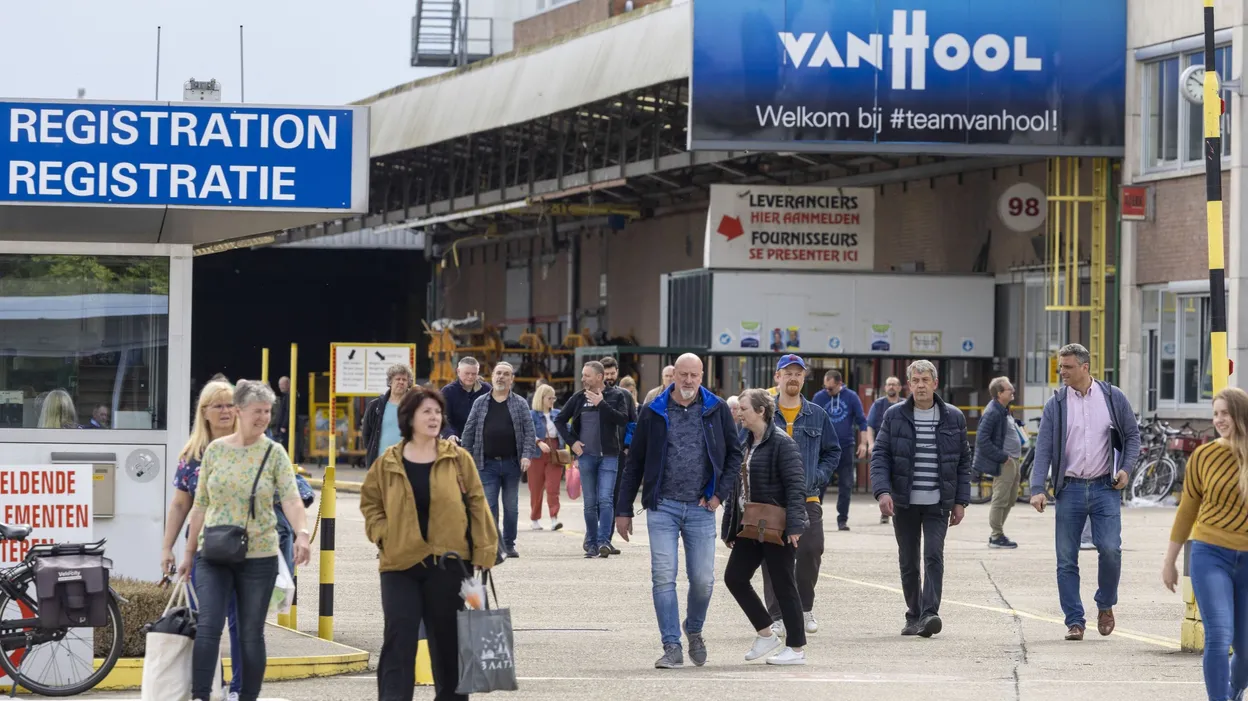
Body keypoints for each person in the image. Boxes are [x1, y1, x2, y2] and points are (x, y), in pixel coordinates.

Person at [360, 385, 498, 701]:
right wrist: (382, 533)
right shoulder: (388, 461)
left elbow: (477, 502)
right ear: (409, 417)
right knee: (399, 639)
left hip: (450, 563)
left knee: (449, 644)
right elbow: (371, 502)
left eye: (437, 412)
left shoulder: (457, 458)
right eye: (427, 411)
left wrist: (484, 549)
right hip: (399, 563)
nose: (434, 417)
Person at [178, 380, 311, 701]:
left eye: (267, 411)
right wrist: (187, 552)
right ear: (240, 412)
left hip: (259, 557)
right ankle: (201, 696)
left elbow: (292, 499)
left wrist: (302, 534)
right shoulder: (215, 451)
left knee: (251, 634)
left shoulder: (274, 453)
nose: (263, 417)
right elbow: (199, 504)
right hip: (213, 553)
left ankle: (246, 695)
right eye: (257, 411)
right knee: (208, 627)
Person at [616, 353, 742, 669]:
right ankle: (671, 645)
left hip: (701, 508)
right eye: (682, 374)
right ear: (672, 376)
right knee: (663, 576)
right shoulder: (653, 411)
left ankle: (694, 628)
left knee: (703, 580)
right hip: (663, 507)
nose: (687, 381)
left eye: (693, 375)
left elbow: (733, 457)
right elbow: (635, 463)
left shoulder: (716, 409)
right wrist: (623, 509)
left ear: (702, 376)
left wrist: (717, 496)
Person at [1029, 343, 1140, 641]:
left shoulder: (1112, 397)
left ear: (1085, 367)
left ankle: (1105, 603)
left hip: (1106, 487)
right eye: (1060, 367)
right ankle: (1074, 621)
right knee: (1066, 558)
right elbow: (1043, 449)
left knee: (1110, 549)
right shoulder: (1057, 404)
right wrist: (1038, 488)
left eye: (1067, 367)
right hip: (1070, 489)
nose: (1061, 372)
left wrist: (1126, 469)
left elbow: (1132, 436)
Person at [870, 359, 972, 638]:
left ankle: (930, 614)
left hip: (939, 502)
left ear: (935, 383)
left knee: (933, 555)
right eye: (915, 380)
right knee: (908, 561)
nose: (920, 385)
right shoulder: (894, 415)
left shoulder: (953, 416)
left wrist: (961, 501)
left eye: (925, 380)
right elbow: (880, 456)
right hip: (904, 503)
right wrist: (882, 492)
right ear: (909, 384)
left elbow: (964, 461)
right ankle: (913, 614)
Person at [1163, 387, 1248, 701]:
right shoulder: (1204, 455)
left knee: (1246, 651)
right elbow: (1187, 511)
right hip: (1210, 554)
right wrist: (1169, 560)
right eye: (1215, 414)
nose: (1219, 420)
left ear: (1241, 414)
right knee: (1218, 635)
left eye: (1225, 413)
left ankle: (1235, 690)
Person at [162, 380, 245, 701]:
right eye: (218, 406)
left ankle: (238, 688)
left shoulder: (251, 447)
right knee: (206, 623)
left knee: (242, 624)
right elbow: (180, 504)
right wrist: (167, 546)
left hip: (245, 548)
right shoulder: (192, 454)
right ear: (205, 412)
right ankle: (211, 686)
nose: (225, 411)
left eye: (229, 405)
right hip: (201, 549)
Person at [723, 389, 809, 666]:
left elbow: (796, 486)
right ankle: (766, 632)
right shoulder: (746, 442)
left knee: (784, 585)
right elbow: (737, 488)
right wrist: (730, 528)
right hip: (751, 524)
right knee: (734, 577)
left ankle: (796, 648)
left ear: (761, 411)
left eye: (744, 409)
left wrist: (795, 526)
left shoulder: (782, 443)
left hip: (777, 525)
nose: (739, 413)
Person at [760, 355, 839, 638]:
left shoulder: (817, 414)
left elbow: (833, 451)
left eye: (798, 373)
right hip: (772, 499)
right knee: (772, 558)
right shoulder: (765, 412)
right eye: (788, 373)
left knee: (810, 549)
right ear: (777, 377)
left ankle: (805, 608)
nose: (793, 378)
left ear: (804, 378)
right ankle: (777, 614)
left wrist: (817, 477)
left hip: (807, 497)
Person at [555, 361, 633, 558]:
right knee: (590, 502)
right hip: (586, 457)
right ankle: (591, 543)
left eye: (587, 375)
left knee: (606, 500)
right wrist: (572, 442)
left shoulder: (617, 396)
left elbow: (623, 419)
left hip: (609, 456)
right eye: (583, 375)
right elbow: (560, 420)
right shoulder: (578, 398)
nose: (583, 379)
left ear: (599, 377)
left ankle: (604, 541)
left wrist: (602, 404)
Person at [462, 362, 538, 559]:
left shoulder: (520, 403)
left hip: (512, 463)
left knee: (511, 507)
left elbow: (530, 432)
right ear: (492, 376)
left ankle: (509, 544)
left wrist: (527, 455)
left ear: (511, 379)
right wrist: (465, 459)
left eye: (506, 374)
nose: (501, 377)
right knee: (490, 506)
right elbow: (469, 432)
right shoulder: (480, 402)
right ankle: (494, 544)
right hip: (486, 464)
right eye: (498, 373)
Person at [813, 370, 869, 530]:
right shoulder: (819, 397)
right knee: (819, 483)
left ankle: (842, 520)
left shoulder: (851, 397)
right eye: (825, 387)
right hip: (823, 448)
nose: (827, 391)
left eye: (830, 388)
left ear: (839, 383)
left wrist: (863, 443)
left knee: (846, 484)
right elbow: (810, 420)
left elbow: (862, 421)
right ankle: (814, 517)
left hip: (845, 447)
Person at [974, 376, 1023, 549]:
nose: (1013, 392)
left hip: (1014, 460)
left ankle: (999, 532)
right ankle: (996, 535)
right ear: (1000, 393)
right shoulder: (993, 412)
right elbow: (982, 440)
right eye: (1010, 389)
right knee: (1000, 499)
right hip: (1005, 462)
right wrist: (1002, 457)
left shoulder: (1004, 409)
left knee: (1010, 499)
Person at [866, 376, 904, 525]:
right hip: (883, 449)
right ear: (885, 388)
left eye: (894, 384)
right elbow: (869, 426)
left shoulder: (905, 404)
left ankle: (896, 510)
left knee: (898, 480)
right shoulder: (878, 404)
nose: (891, 387)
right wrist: (871, 444)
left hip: (901, 449)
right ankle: (884, 512)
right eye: (889, 385)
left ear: (900, 387)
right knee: (884, 480)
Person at [362, 365, 415, 469]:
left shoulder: (414, 405)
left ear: (408, 383)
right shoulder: (376, 406)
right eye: (397, 379)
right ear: (390, 382)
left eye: (404, 379)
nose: (401, 382)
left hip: (406, 464)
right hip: (380, 463)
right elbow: (366, 434)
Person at [529, 383, 565, 532]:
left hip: (554, 453)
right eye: (550, 398)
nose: (553, 400)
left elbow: (566, 430)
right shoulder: (531, 414)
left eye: (554, 397)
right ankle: (535, 518)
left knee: (553, 487)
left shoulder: (558, 414)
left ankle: (554, 518)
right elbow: (528, 432)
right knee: (536, 488)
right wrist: (538, 442)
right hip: (536, 453)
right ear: (541, 398)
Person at [442, 357, 491, 439]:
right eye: (467, 373)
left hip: (481, 440)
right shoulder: (448, 391)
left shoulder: (487, 390)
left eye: (474, 374)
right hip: (456, 440)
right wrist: (450, 434)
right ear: (458, 371)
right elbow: (444, 418)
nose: (470, 377)